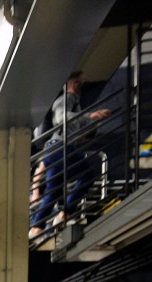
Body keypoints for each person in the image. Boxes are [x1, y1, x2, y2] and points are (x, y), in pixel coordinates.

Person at [29, 70, 111, 237]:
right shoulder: (68, 98)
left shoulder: (72, 101)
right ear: (75, 83)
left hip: (53, 148)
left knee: (54, 191)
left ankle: (37, 227)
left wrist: (85, 128)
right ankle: (64, 213)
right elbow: (61, 118)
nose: (83, 85)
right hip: (60, 147)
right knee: (87, 176)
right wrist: (90, 115)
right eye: (82, 82)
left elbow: (68, 126)